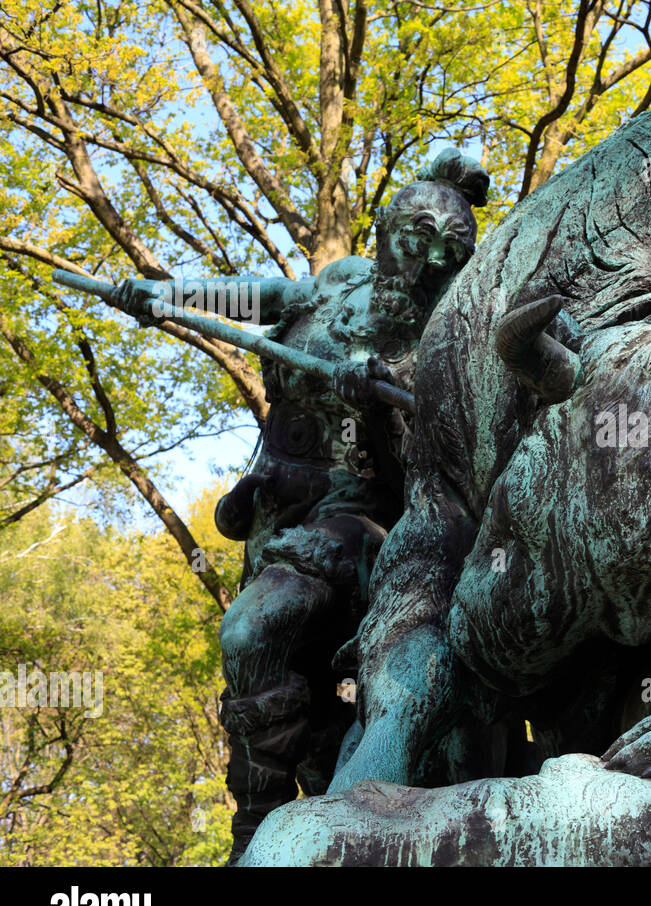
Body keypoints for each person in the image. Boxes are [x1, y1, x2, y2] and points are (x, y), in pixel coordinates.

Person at [109, 149, 489, 863]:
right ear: (386, 226)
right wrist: (164, 296)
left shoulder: (442, 339)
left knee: (250, 635)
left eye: (450, 250)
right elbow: (255, 299)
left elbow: (437, 470)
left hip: (363, 528)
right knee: (305, 707)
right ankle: (299, 827)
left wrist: (378, 407)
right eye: (417, 234)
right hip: (273, 517)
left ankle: (253, 831)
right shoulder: (335, 287)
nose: (429, 258)